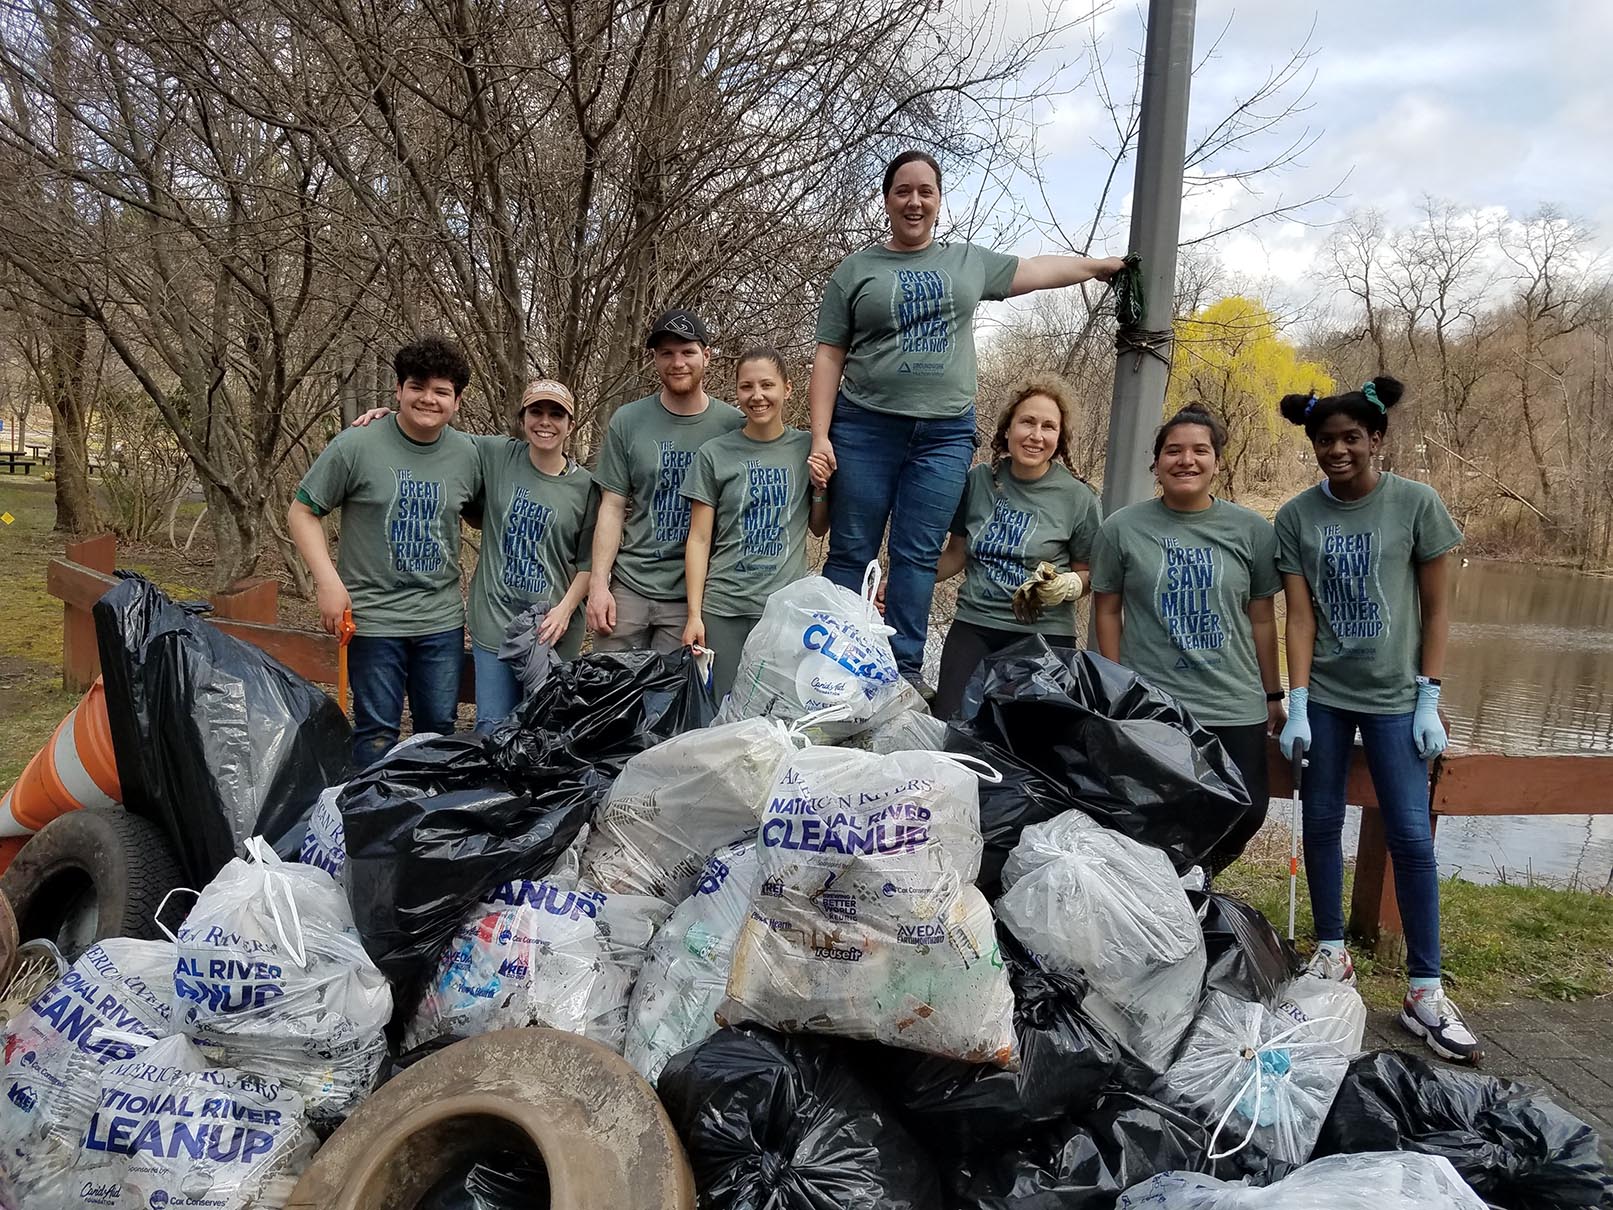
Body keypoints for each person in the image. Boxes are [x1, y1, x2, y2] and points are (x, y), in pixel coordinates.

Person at [809, 149, 1124, 688]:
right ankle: (831, 663)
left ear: (938, 200)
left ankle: (900, 675)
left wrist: (1096, 268)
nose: (914, 201)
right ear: (887, 200)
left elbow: (1034, 270)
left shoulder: (966, 261)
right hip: (865, 427)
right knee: (852, 546)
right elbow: (829, 354)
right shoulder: (857, 270)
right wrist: (821, 435)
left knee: (917, 552)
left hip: (942, 435)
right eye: (902, 191)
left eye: (925, 191)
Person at [1275, 376, 1480, 1065]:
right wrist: (1295, 701)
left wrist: (1429, 693)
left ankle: (1424, 990)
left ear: (1377, 439)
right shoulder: (1298, 516)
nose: (1337, 450)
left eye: (1350, 438)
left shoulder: (1415, 505)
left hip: (1395, 698)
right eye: (1324, 440)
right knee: (1322, 822)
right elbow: (1297, 616)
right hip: (1328, 695)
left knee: (1411, 837)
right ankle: (1330, 954)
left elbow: (1437, 610)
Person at [1088, 406, 1284, 872]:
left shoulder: (1251, 531)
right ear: (1156, 463)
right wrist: (1114, 688)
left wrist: (1274, 694)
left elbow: (1262, 618)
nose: (1186, 460)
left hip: (1233, 700)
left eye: (1200, 450)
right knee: (1152, 807)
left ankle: (1196, 876)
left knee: (1249, 809)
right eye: (1173, 451)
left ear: (1218, 462)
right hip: (1153, 700)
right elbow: (1107, 610)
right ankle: (1165, 888)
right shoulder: (1122, 528)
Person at [349, 380, 598, 728]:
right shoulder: (496, 454)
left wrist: (564, 610)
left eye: (556, 415)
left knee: (544, 731)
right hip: (495, 623)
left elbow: (590, 564)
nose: (545, 422)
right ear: (522, 418)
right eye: (536, 412)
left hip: (552, 632)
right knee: (492, 729)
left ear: (570, 425)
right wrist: (393, 417)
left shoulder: (586, 487)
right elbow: (433, 429)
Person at [288, 335, 481, 766]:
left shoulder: (469, 454)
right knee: (375, 734)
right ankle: (369, 823)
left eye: (441, 391)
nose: (428, 399)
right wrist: (327, 583)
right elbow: (302, 511)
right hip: (372, 619)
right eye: (417, 387)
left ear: (457, 400)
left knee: (438, 733)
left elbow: (494, 505)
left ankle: (427, 824)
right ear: (398, 391)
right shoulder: (357, 445)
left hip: (440, 621)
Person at [930, 375, 1100, 721]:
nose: (1036, 435)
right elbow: (956, 554)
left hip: (1043, 635)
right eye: (1027, 422)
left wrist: (1066, 585)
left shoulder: (1078, 498)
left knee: (1028, 744)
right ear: (1008, 429)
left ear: (1060, 438)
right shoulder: (978, 481)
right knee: (952, 724)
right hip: (975, 625)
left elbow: (1091, 573)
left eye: (1048, 427)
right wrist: (904, 584)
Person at [587, 309, 745, 653]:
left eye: (688, 351)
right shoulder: (629, 420)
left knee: (671, 703)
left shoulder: (734, 426)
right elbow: (612, 507)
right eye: (666, 353)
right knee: (606, 699)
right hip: (629, 588)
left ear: (707, 354)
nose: (678, 362)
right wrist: (599, 586)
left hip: (691, 598)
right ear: (654, 360)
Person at [680, 348, 829, 696]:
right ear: (737, 392)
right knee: (720, 714)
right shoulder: (714, 454)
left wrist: (821, 487)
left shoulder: (807, 446)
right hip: (723, 608)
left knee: (774, 714)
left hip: (783, 613)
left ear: (788, 389)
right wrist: (694, 614)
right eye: (747, 387)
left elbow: (819, 527)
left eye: (767, 385)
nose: (757, 396)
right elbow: (699, 540)